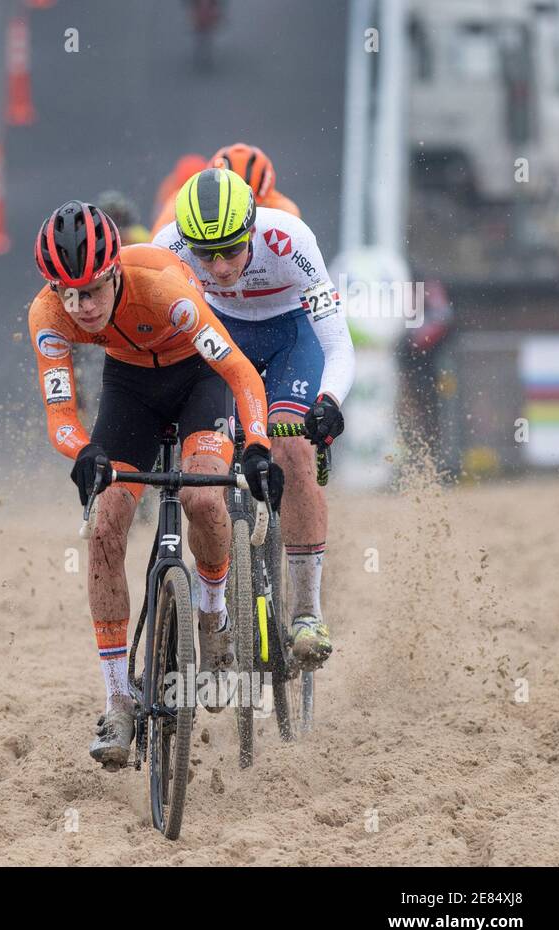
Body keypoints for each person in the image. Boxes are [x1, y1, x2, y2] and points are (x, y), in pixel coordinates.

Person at [28, 200, 282, 770]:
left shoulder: (165, 291)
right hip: (131, 387)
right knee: (105, 525)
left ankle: (212, 615)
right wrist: (84, 452)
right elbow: (60, 410)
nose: (81, 306)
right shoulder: (48, 314)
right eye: (67, 293)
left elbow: (239, 372)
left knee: (201, 496)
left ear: (115, 271)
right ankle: (118, 698)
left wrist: (260, 447)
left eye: (91, 289)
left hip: (198, 375)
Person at [153, 167, 354, 665]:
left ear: (252, 230)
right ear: (186, 243)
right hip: (219, 341)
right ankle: (216, 595)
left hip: (292, 340)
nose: (219, 268)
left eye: (231, 249)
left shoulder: (289, 238)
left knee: (291, 448)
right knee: (205, 466)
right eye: (205, 253)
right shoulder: (167, 248)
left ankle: (307, 612)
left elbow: (335, 340)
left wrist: (329, 401)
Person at [151, 142, 299, 233]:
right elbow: (159, 247)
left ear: (268, 196)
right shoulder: (179, 203)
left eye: (254, 208)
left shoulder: (285, 211)